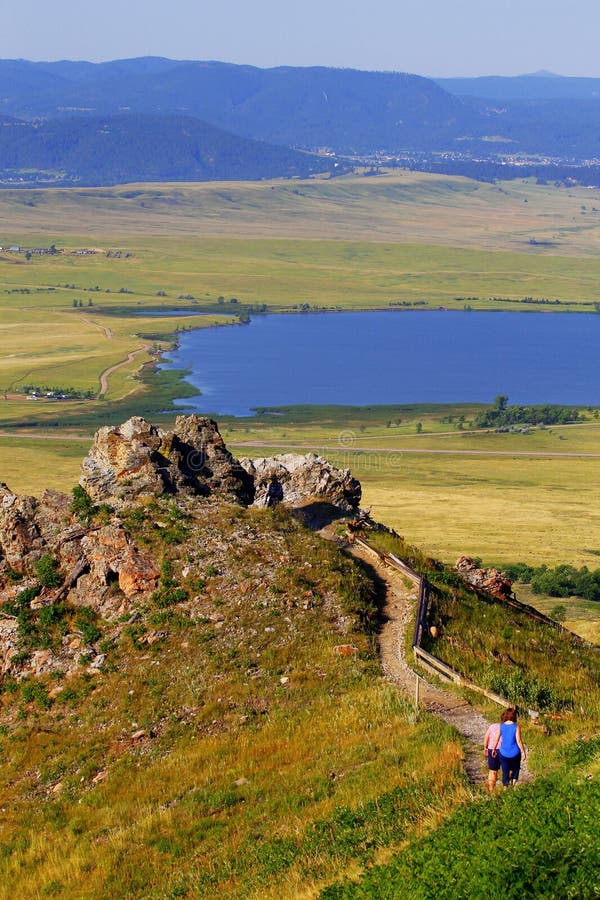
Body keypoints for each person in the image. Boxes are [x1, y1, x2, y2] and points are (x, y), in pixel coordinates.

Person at [493, 707, 526, 787]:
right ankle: (513, 784)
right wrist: (523, 751)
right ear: (514, 716)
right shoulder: (516, 727)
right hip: (515, 753)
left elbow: (496, 739)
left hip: (503, 753)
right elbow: (518, 741)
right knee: (516, 769)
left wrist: (494, 749)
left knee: (505, 771)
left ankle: (505, 787)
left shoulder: (501, 726)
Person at [483, 719, 501, 792]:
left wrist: (485, 748)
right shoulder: (509, 727)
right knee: (507, 770)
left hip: (492, 750)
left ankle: (491, 789)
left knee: (493, 771)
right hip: (504, 750)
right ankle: (507, 788)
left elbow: (486, 738)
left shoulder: (492, 726)